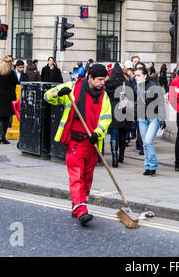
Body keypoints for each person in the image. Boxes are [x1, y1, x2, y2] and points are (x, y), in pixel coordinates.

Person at [43, 64, 112, 226]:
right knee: (77, 175)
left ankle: (78, 204)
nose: (103, 83)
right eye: (100, 80)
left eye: (104, 80)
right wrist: (58, 92)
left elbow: (106, 118)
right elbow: (47, 96)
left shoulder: (104, 96)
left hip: (92, 143)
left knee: (87, 177)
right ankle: (81, 209)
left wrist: (97, 133)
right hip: (75, 142)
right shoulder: (72, 88)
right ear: (90, 78)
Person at [134, 66, 166, 176]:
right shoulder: (136, 87)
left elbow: (161, 103)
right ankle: (147, 166)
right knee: (144, 144)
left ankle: (152, 165)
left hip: (154, 117)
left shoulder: (154, 86)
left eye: (138, 75)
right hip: (142, 118)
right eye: (135, 75)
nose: (136, 78)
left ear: (145, 75)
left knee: (148, 141)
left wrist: (162, 119)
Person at [105, 63, 133, 167]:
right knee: (123, 134)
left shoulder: (108, 83)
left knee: (114, 134)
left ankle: (114, 159)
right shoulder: (126, 83)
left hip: (112, 109)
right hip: (124, 110)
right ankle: (121, 156)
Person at [0, 56, 18, 145]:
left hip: (0, 94)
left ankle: (1, 135)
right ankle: (3, 136)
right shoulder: (11, 73)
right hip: (9, 95)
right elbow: (16, 81)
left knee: (1, 116)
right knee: (7, 117)